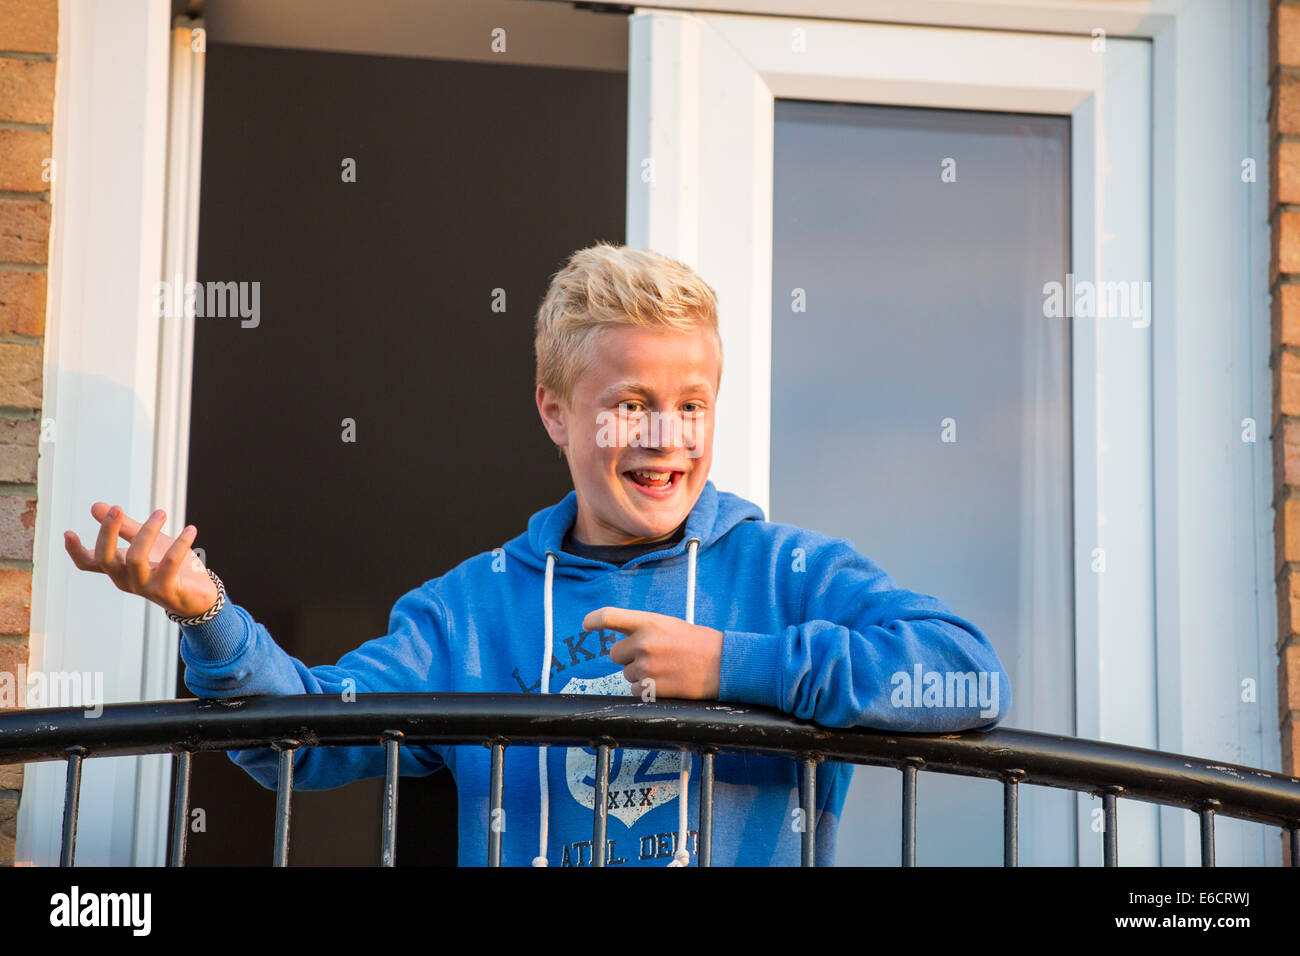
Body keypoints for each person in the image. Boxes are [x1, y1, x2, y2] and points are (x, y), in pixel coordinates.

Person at [64, 242, 1011, 867]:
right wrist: (203, 611)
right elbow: (298, 744)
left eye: (692, 404)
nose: (667, 436)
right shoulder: (469, 611)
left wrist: (730, 664)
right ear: (556, 412)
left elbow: (967, 677)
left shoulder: (789, 574)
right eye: (630, 401)